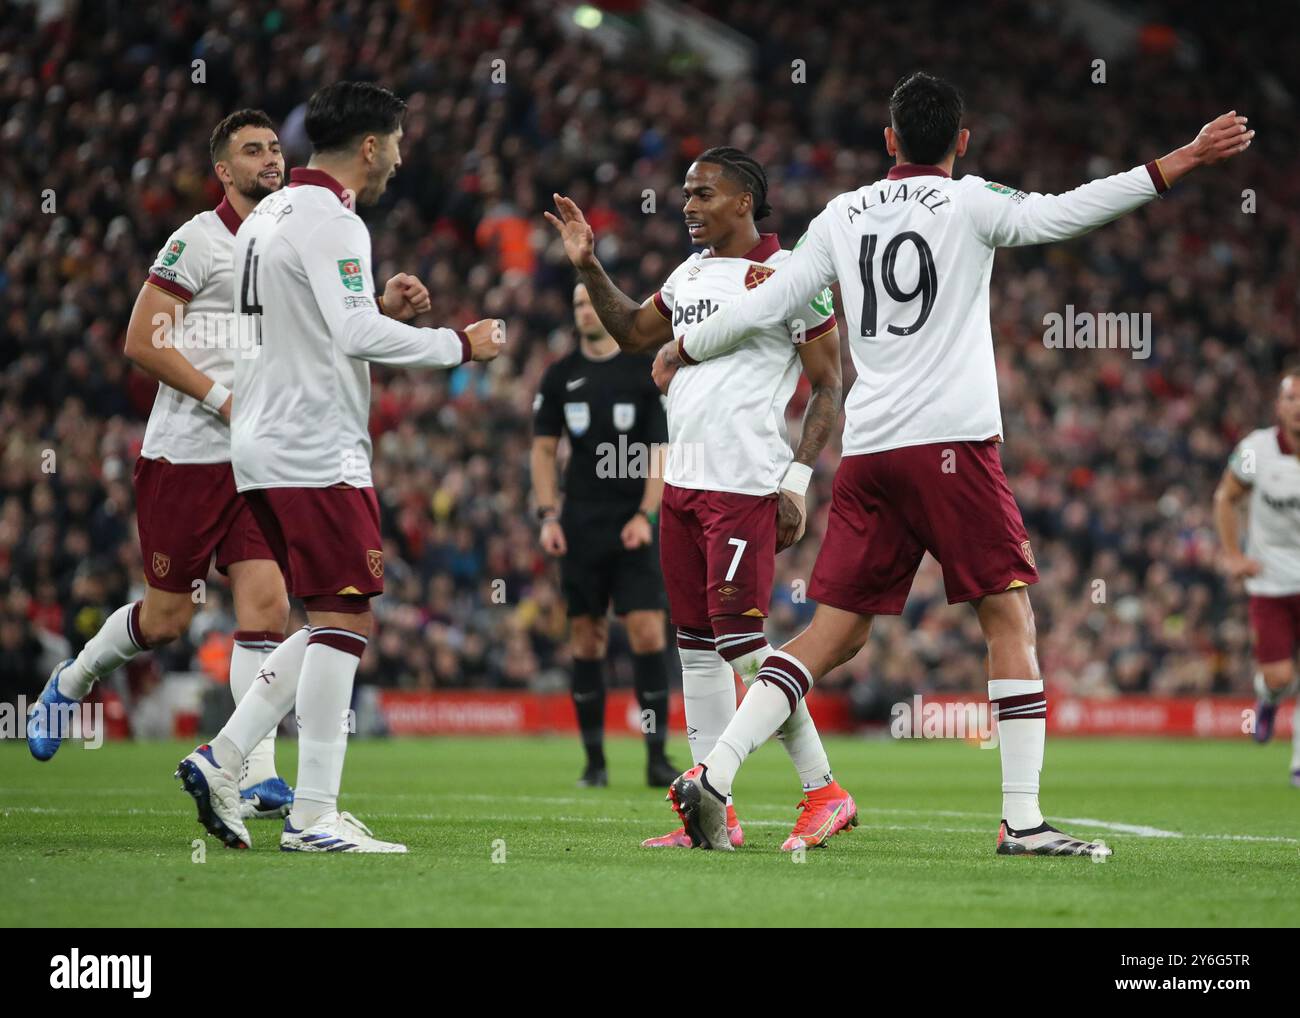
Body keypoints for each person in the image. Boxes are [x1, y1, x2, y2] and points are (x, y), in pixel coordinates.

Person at [659, 72, 1253, 853]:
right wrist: (1185, 158)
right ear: (962, 141)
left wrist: (687, 342)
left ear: (889, 140)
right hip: (953, 446)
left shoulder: (841, 215)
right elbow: (1067, 213)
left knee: (828, 637)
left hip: (871, 453)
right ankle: (1023, 821)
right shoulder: (972, 201)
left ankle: (716, 774)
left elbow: (768, 303)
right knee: (1008, 617)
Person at [175, 82, 503, 853]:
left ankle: (223, 757)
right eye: (396, 139)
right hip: (312, 445)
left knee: (331, 616)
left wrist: (379, 307)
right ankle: (312, 814)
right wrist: (460, 345)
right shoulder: (332, 220)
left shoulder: (271, 215)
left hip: (260, 440)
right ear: (368, 146)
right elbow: (355, 337)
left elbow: (316, 324)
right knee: (348, 616)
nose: (400, 155)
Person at [546, 146, 856, 852]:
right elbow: (629, 333)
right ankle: (717, 813)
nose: (687, 205)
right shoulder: (687, 274)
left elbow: (829, 385)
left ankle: (825, 791)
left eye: (703, 194)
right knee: (697, 650)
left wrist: (797, 480)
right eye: (685, 193)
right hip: (683, 485)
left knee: (743, 644)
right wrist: (587, 264)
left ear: (744, 201)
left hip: (745, 480)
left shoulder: (790, 276)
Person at [28, 109, 295, 820]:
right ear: (224, 170)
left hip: (257, 460)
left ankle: (256, 767)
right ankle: (73, 681)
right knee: (169, 618)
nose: (270, 159)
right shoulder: (197, 240)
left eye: (274, 147)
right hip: (185, 457)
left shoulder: (290, 243)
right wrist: (223, 399)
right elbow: (142, 341)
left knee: (266, 607)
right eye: (252, 151)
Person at [531, 283, 678, 789]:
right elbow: (543, 451)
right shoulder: (559, 376)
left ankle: (657, 758)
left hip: (632, 525)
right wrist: (548, 515)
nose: (581, 310)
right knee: (586, 638)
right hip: (580, 526)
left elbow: (661, 449)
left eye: (589, 301)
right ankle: (594, 764)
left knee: (648, 632)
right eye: (574, 303)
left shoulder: (642, 370)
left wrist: (647, 514)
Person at [1215, 368, 1300, 786]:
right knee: (1280, 676)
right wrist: (1233, 555)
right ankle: (1267, 698)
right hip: (1270, 579)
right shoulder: (1256, 449)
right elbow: (1225, 497)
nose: (1298, 408)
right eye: (1291, 398)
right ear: (1278, 406)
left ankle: (1298, 763)